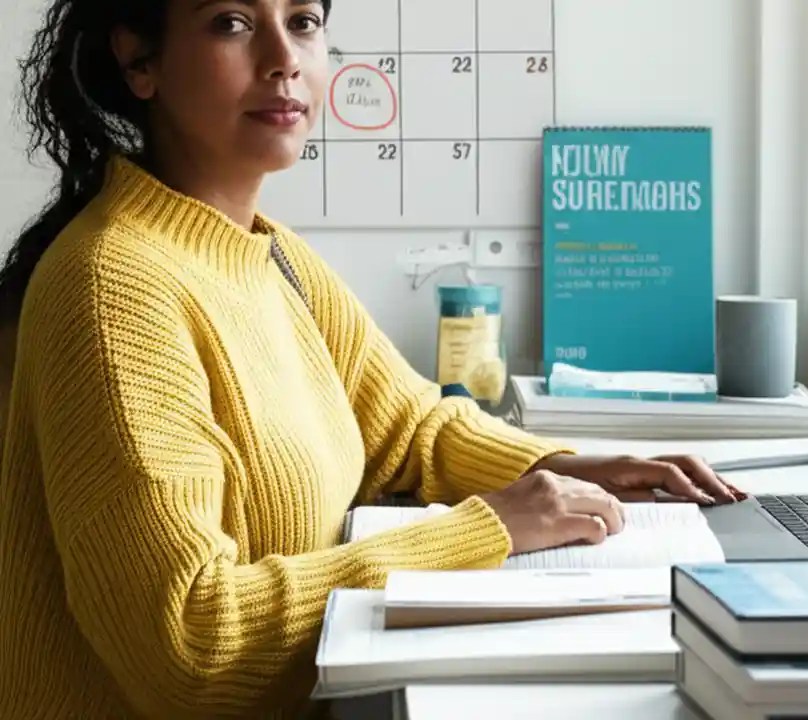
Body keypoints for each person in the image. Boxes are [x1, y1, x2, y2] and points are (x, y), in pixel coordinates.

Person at [0, 1, 743, 717]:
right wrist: (488, 528)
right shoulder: (112, 292)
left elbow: (409, 424)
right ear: (139, 60)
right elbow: (190, 645)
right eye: (232, 23)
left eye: (304, 23)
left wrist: (557, 465)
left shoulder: (268, 254)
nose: (283, 60)